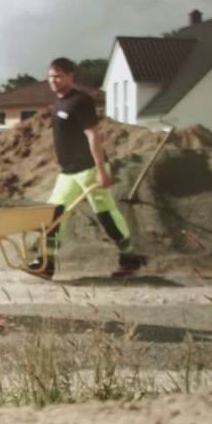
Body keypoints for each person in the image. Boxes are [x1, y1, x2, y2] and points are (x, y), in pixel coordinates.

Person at [31, 57, 146, 280]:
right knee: (52, 214)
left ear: (70, 75)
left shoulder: (80, 101)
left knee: (105, 214)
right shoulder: (58, 103)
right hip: (68, 173)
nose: (54, 81)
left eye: (59, 76)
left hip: (89, 170)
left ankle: (128, 257)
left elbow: (92, 135)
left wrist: (101, 171)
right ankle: (47, 263)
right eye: (51, 76)